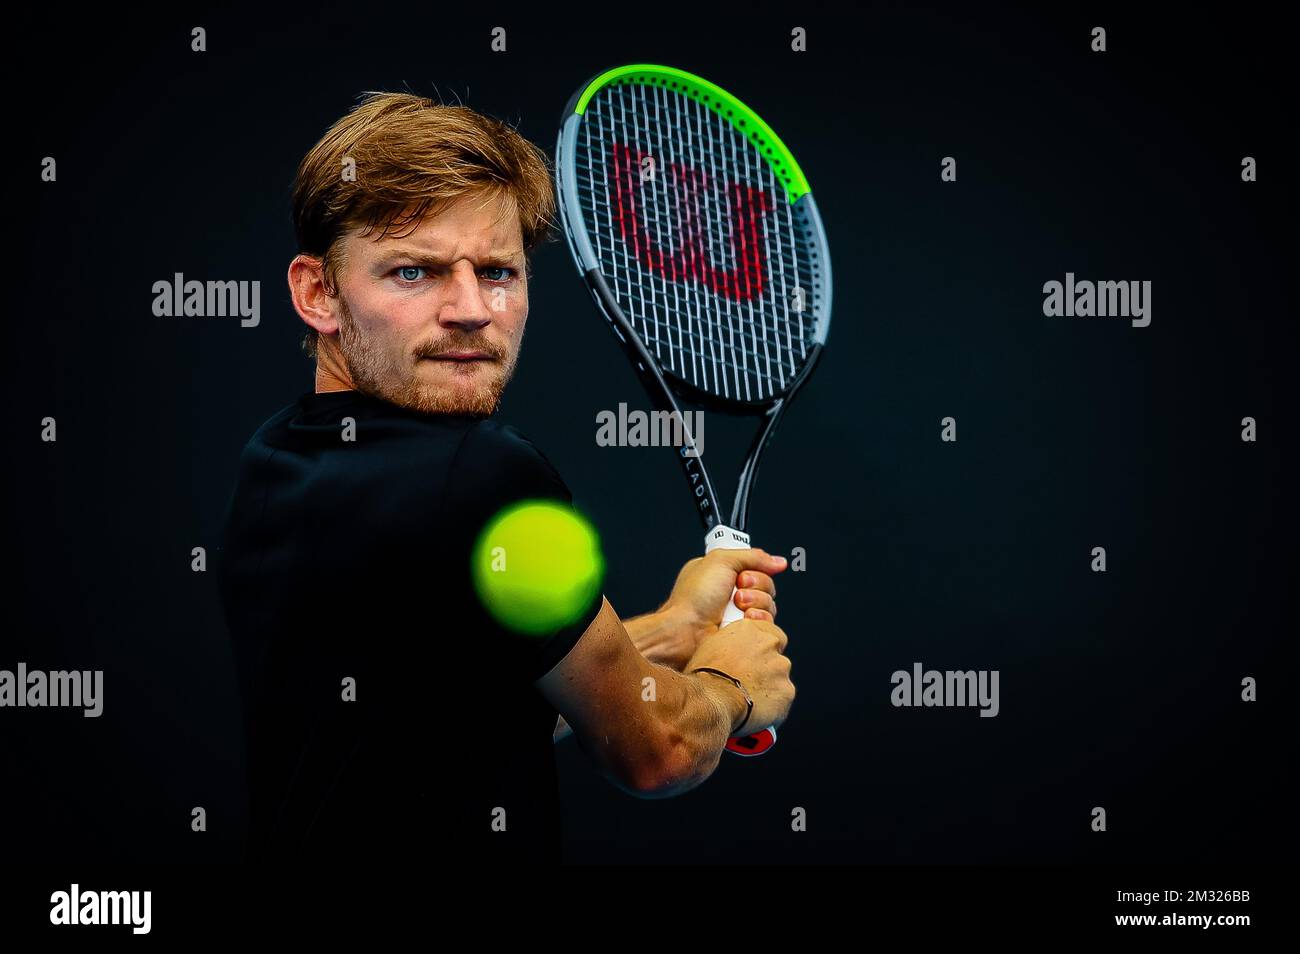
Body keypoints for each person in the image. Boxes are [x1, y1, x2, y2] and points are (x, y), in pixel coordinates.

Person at [219, 92, 795, 862]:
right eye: (414, 271)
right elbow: (656, 752)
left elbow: (456, 703)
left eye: (497, 271)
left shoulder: (279, 459)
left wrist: (675, 626)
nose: (470, 309)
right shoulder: (483, 472)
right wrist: (732, 682)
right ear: (317, 292)